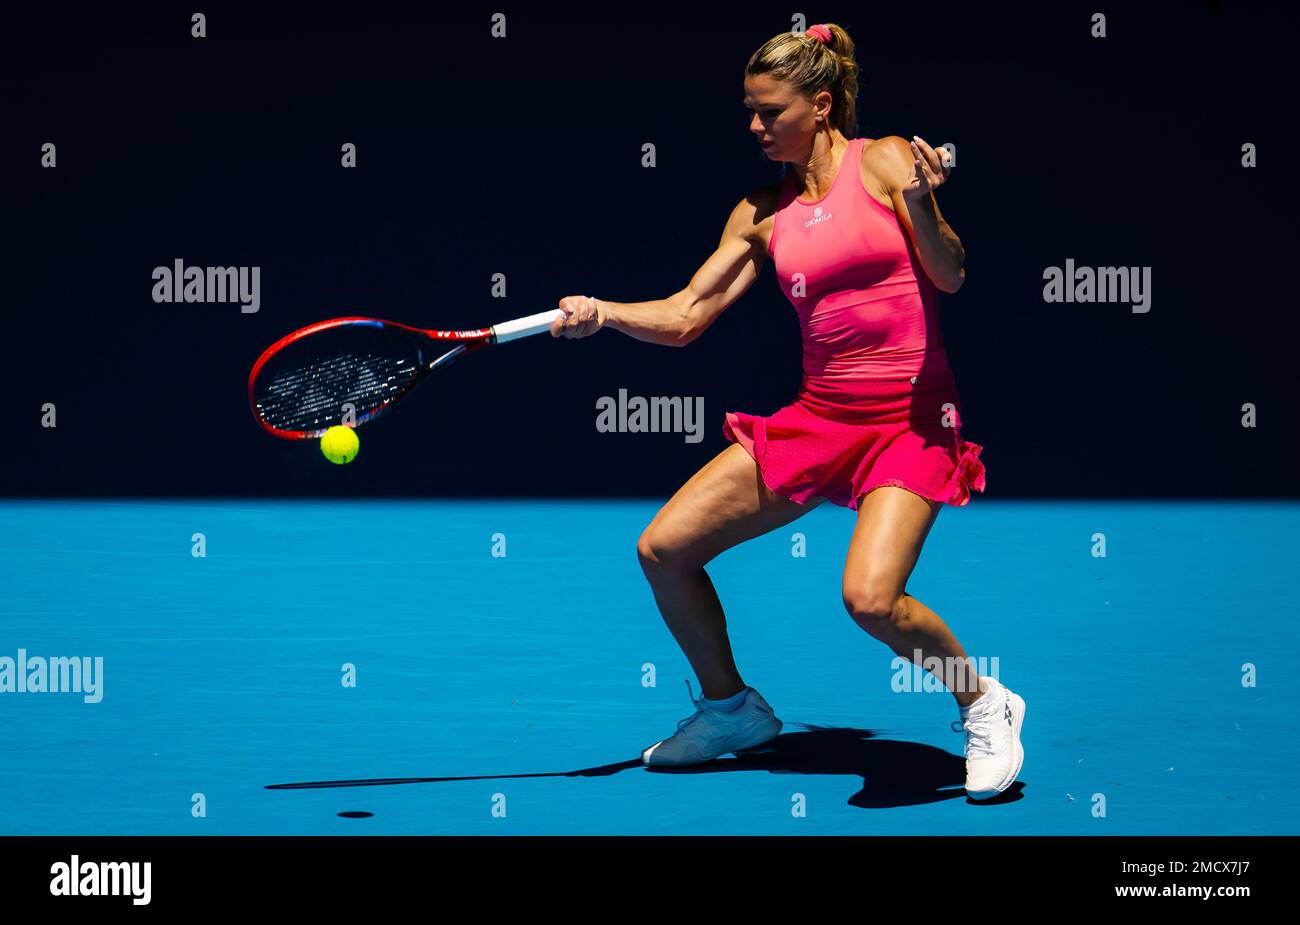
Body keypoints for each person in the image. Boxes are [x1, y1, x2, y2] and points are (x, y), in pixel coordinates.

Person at [551, 22, 1024, 801]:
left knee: (870, 599)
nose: (755, 126)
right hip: (820, 417)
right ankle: (731, 709)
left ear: (822, 105)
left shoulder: (885, 161)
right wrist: (603, 312)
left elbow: (952, 275)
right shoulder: (761, 211)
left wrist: (919, 200)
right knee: (664, 549)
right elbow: (685, 313)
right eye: (749, 110)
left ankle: (984, 700)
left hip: (908, 420)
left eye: (770, 111)